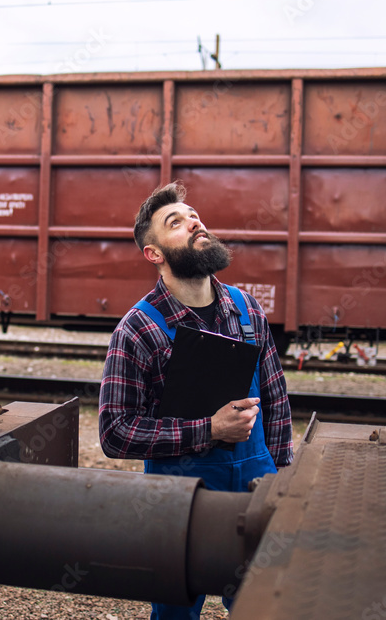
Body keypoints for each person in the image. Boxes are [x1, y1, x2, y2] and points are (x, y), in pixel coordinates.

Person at [99, 181, 294, 619]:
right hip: (177, 500)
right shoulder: (138, 330)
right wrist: (208, 430)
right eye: (175, 221)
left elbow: (276, 397)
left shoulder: (246, 309)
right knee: (174, 613)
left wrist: (283, 478)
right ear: (155, 254)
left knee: (261, 606)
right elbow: (114, 433)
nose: (193, 221)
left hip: (255, 488)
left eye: (193, 215)